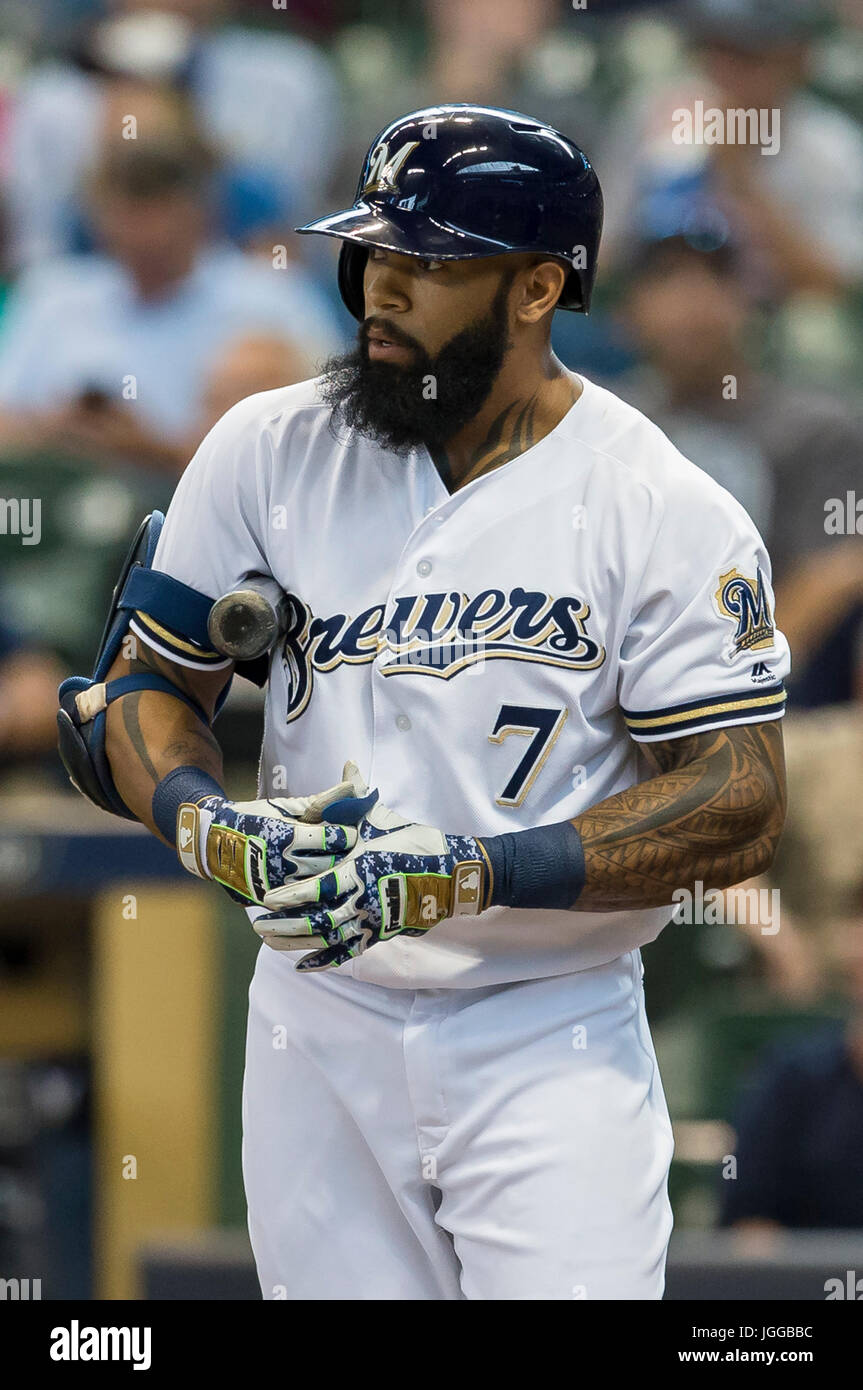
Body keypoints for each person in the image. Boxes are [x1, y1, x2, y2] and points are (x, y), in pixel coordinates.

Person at [74, 105, 789, 1300]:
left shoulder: (656, 503)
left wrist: (467, 871)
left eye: (430, 262)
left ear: (538, 287)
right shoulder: (265, 448)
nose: (381, 290)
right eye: (374, 253)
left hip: (541, 1018)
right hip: (317, 1010)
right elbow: (136, 692)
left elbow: (738, 798)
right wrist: (205, 820)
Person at [0, 130, 341, 473]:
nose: (141, 233)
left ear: (201, 212)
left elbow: (328, 433)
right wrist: (53, 430)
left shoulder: (273, 298)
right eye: (126, 212)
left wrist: (155, 451)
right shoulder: (53, 294)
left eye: (156, 210)